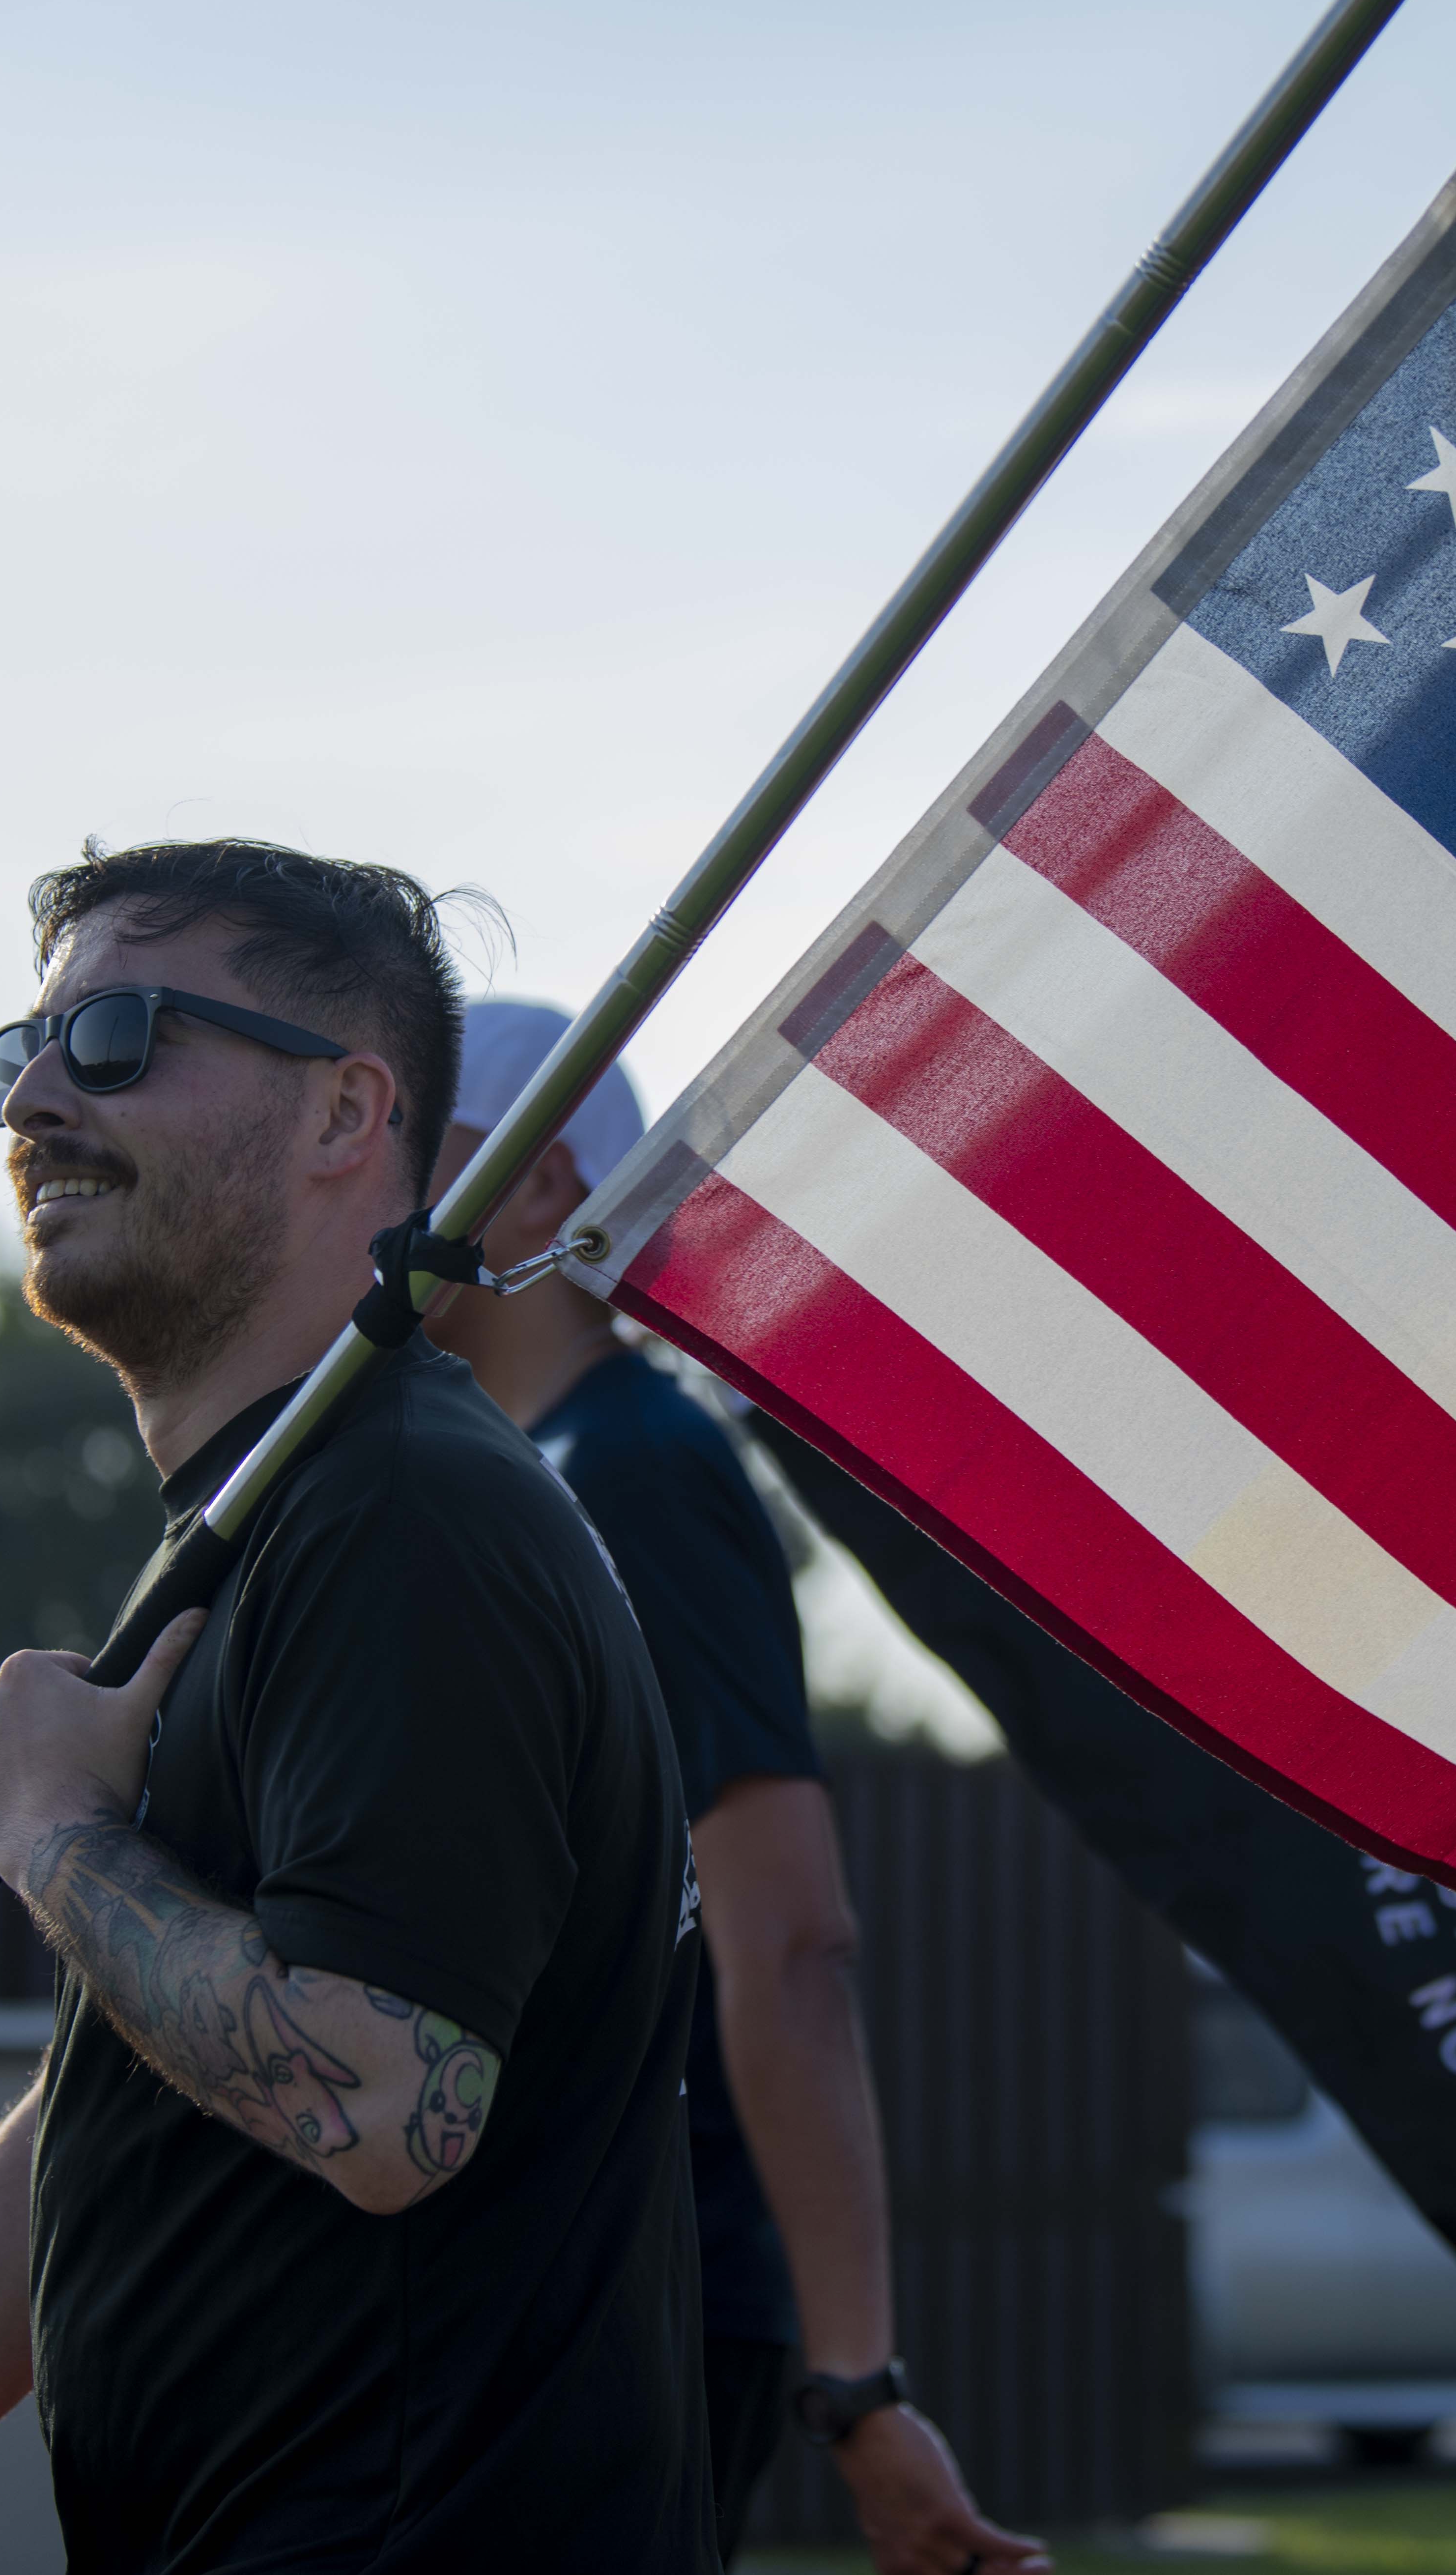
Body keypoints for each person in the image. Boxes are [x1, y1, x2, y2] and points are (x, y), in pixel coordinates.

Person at [0, 845, 711, 2575]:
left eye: (115, 1035)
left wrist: (49, 1832)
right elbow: (147, 2080)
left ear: (346, 1113)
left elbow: (390, 2103)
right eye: (17, 1051)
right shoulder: (275, 1516)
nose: (31, 1094)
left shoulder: (401, 1514)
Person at [424, 999, 1047, 2575]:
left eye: (401, 1143)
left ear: (541, 1183)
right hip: (517, 2287)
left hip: (645, 2293)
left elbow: (785, 1938)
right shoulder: (499, 1478)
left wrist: (858, 2385)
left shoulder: (634, 1463)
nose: (339, 1181)